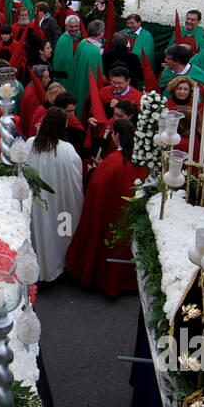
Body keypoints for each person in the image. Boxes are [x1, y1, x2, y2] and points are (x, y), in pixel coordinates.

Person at [65, 118, 147, 297]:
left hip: (108, 213)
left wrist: (93, 171)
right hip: (127, 213)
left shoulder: (113, 161)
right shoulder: (137, 159)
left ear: (117, 135)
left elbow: (97, 187)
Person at [23, 107, 84, 281]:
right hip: (58, 204)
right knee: (57, 235)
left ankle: (37, 268)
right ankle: (56, 266)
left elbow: (21, 172)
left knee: (38, 234)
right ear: (63, 126)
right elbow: (75, 182)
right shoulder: (67, 150)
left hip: (35, 202)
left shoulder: (30, 144)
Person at [68, 20, 105, 118]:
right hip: (86, 90)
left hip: (77, 84)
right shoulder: (94, 51)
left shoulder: (83, 42)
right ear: (101, 32)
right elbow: (95, 77)